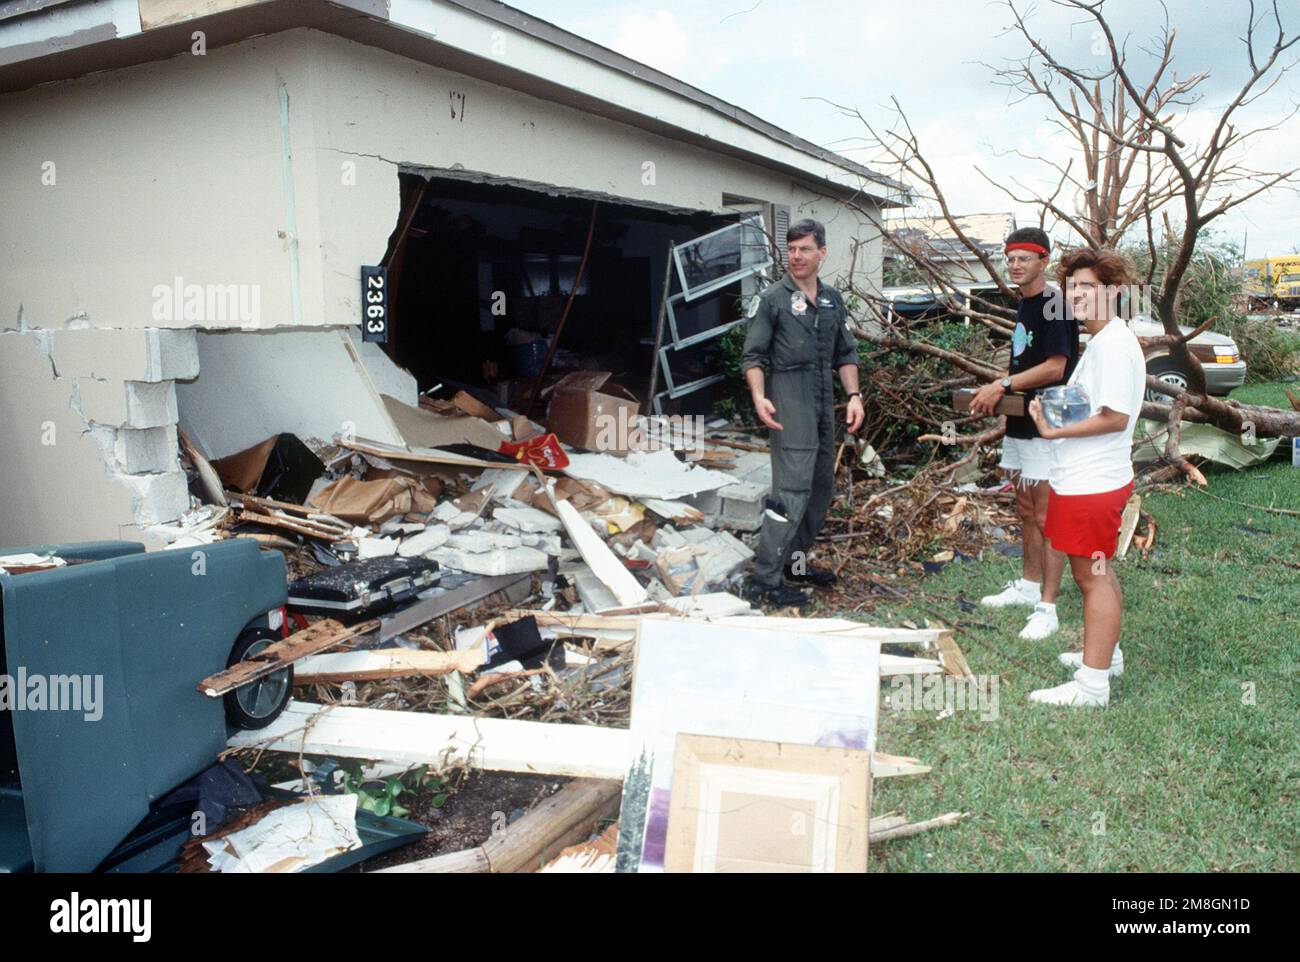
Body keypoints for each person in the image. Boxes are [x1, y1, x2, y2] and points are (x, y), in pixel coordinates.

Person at [1026, 247, 1145, 707]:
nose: (1076, 295)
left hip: (1093, 483)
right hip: (1087, 477)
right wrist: (1057, 406)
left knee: (1092, 576)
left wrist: (1055, 428)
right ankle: (1106, 655)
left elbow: (1114, 418)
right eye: (1072, 287)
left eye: (1088, 287)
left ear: (1114, 292)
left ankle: (1092, 686)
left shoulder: (1113, 345)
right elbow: (1097, 404)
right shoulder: (1103, 340)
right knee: (1097, 571)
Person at [741, 219, 864, 607]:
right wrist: (760, 397)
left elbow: (845, 353)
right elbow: (753, 356)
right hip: (788, 401)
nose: (796, 256)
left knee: (819, 489)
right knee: (790, 493)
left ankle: (794, 565)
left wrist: (855, 395)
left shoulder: (831, 300)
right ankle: (764, 579)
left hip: (823, 402)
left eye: (805, 249)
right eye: (791, 249)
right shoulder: (773, 299)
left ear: (821, 253)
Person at [973, 227, 1079, 641]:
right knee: (1023, 508)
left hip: (1046, 420)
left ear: (1044, 260)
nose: (1015, 265)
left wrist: (1002, 384)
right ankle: (1028, 585)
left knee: (1046, 514)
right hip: (1020, 417)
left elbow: (1056, 367)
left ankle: (1047, 607)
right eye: (1010, 258)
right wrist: (1007, 388)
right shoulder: (1026, 303)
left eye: (1024, 258)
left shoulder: (1055, 304)